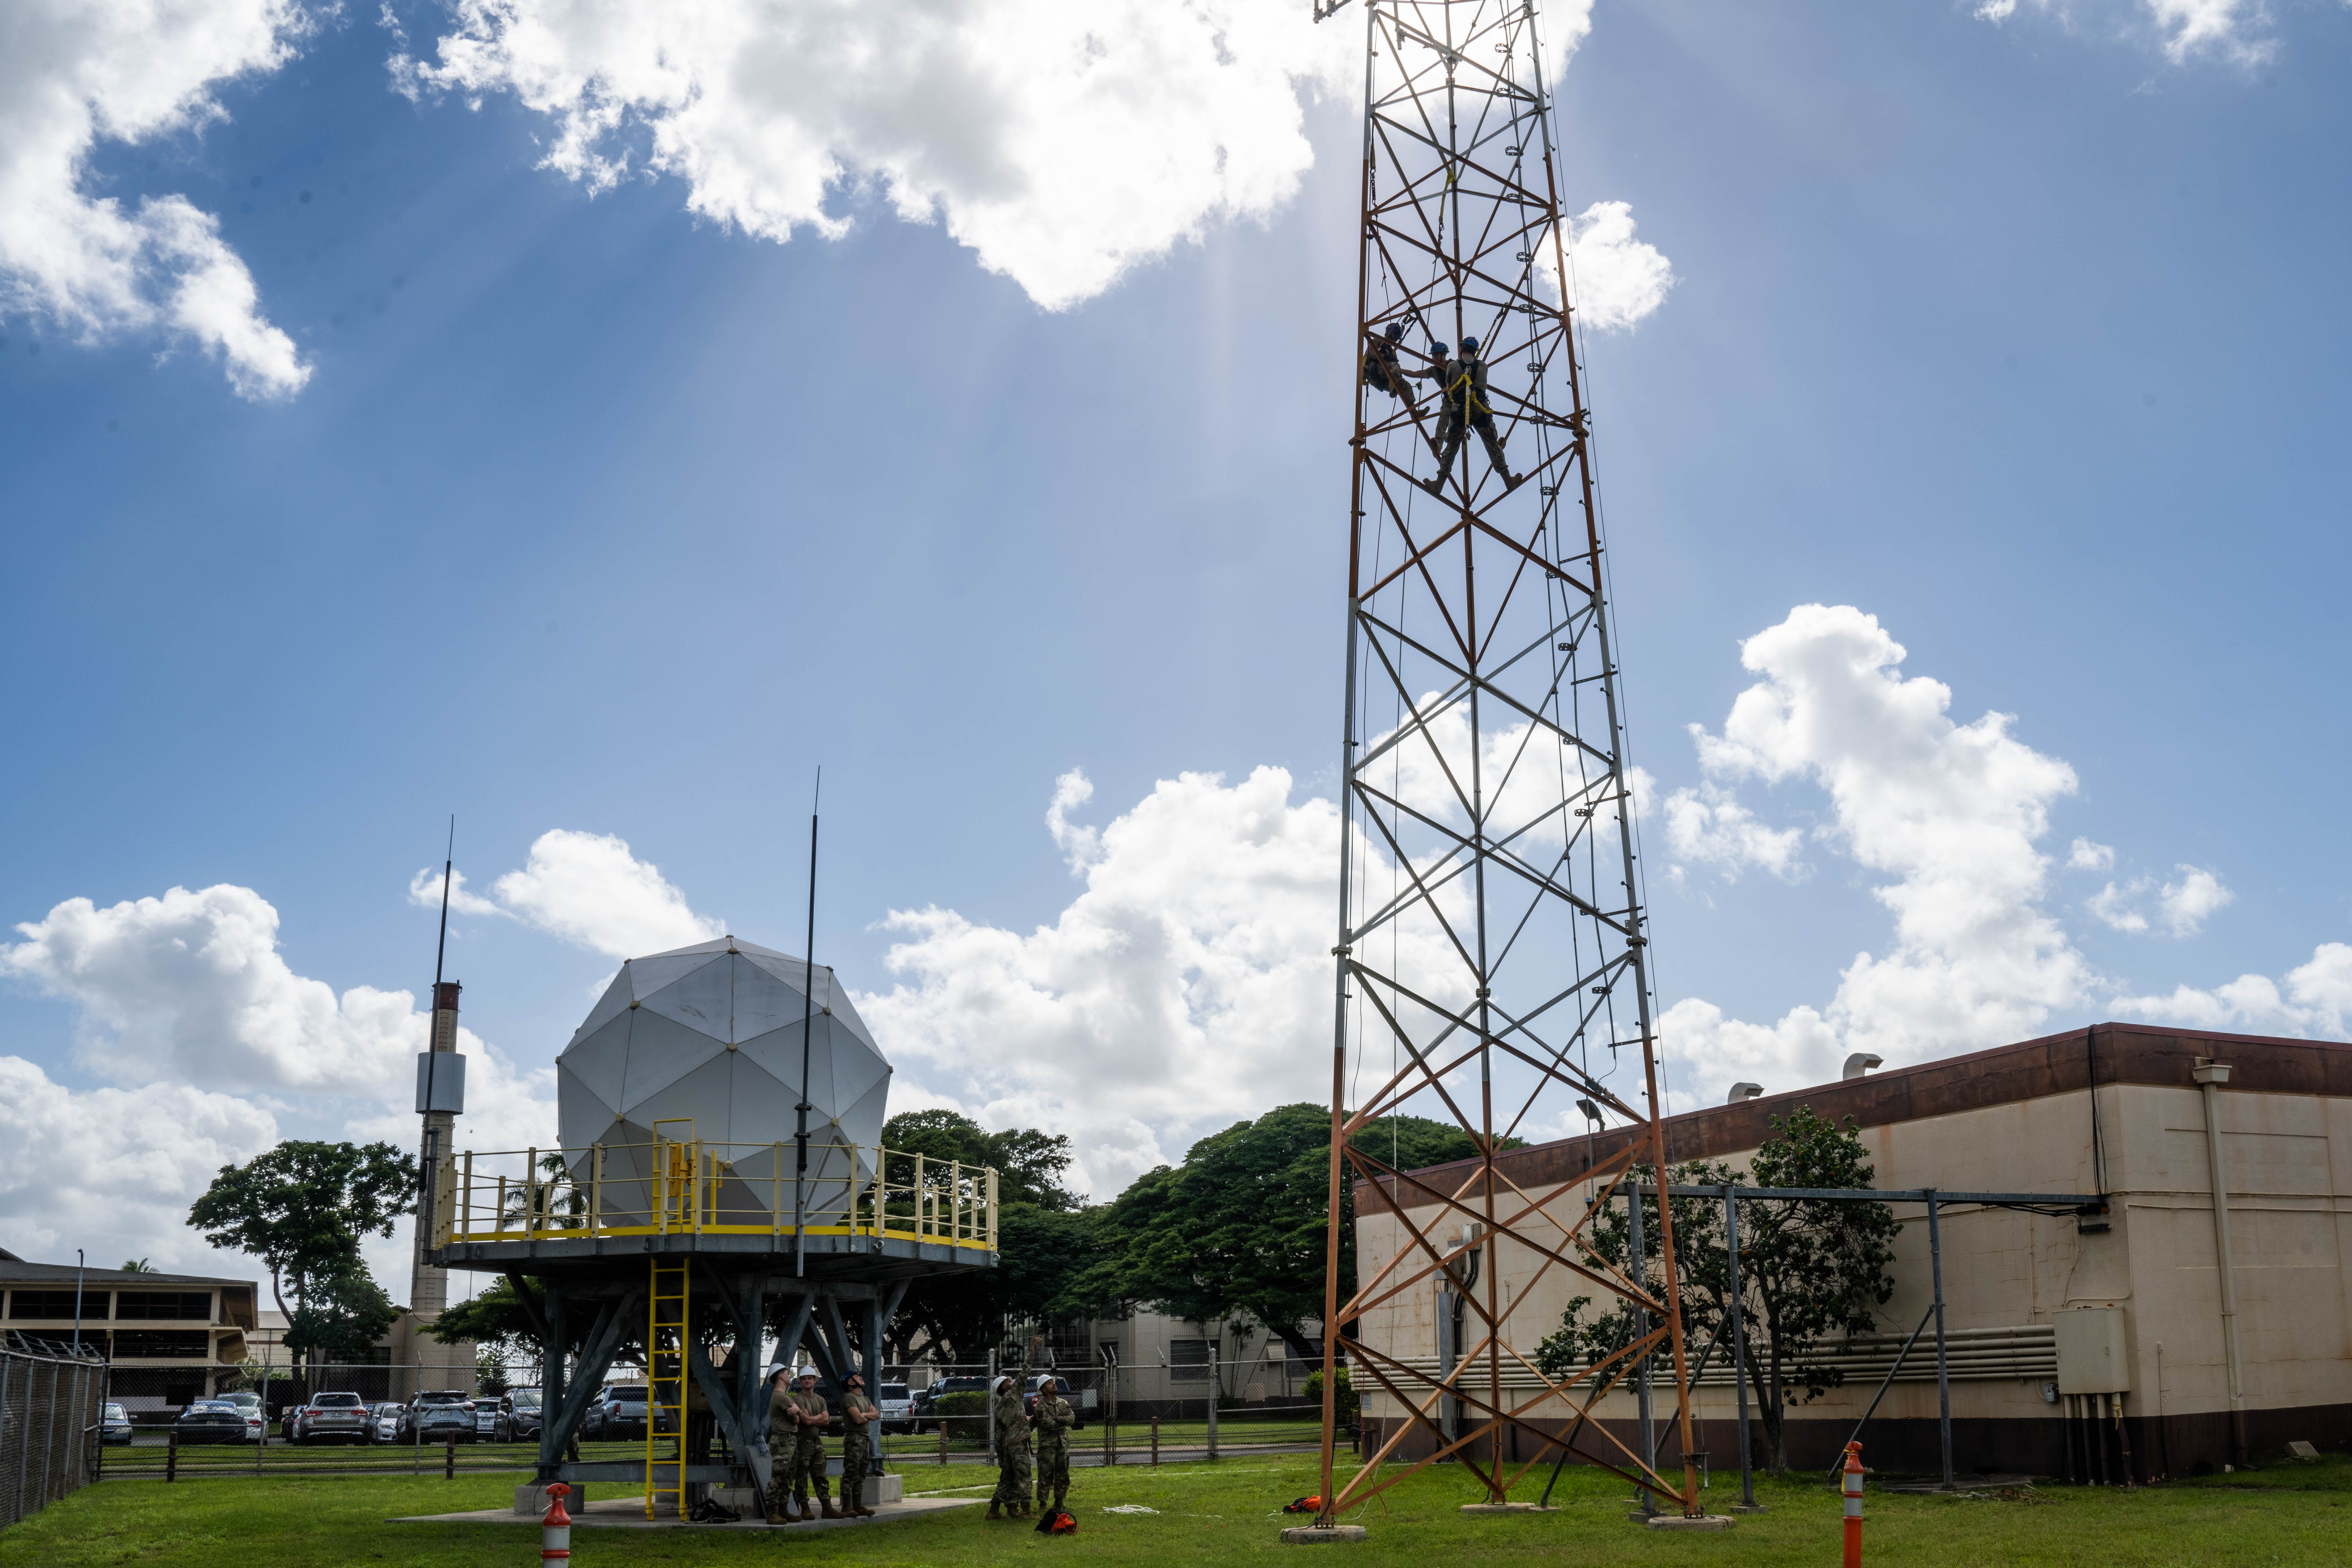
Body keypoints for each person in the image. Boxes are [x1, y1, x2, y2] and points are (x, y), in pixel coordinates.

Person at [1420, 334, 1518, 494]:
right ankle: (1508, 480)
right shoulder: (1483, 366)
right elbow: (1483, 388)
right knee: (1492, 445)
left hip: (1459, 411)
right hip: (1480, 410)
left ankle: (1439, 484)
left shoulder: (1452, 367)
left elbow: (1449, 390)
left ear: (1461, 349)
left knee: (1451, 449)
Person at [765, 1370, 838, 1524]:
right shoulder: (785, 1397)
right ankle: (774, 1512)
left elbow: (826, 1421)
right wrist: (806, 1415)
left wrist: (810, 1417)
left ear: (815, 1380)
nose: (806, 1381)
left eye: (810, 1378)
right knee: (782, 1477)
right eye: (787, 1373)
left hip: (795, 1441)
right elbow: (799, 1420)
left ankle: (784, 1511)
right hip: (787, 1440)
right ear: (781, 1376)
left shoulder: (818, 1399)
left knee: (790, 1477)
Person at [987, 1375, 1033, 1521]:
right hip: (1019, 1442)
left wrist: (1001, 1456)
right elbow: (1024, 1374)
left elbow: (999, 1435)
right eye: (1008, 1382)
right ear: (1004, 1387)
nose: (1012, 1383)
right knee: (1025, 1475)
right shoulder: (1013, 1395)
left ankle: (996, 1510)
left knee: (1007, 1478)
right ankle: (1026, 1510)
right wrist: (1031, 1354)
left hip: (1007, 1446)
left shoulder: (999, 1408)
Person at [1032, 1377, 1077, 1517]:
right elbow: (1046, 1423)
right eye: (1050, 1384)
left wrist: (1057, 1419)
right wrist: (1061, 1422)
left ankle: (1059, 1502)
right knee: (1046, 1475)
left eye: (1053, 1383)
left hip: (1062, 1445)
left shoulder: (1062, 1403)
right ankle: (1043, 1504)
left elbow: (1072, 1419)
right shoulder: (1041, 1405)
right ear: (1044, 1389)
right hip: (1047, 1447)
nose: (1054, 1385)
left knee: (1063, 1475)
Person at [838, 1372, 878, 1518]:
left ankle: (858, 1505)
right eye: (856, 1376)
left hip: (865, 1438)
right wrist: (866, 1415)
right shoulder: (849, 1398)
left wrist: (865, 1415)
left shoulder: (864, 1398)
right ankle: (847, 1506)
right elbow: (858, 1419)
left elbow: (877, 1415)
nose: (861, 1377)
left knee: (861, 1473)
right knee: (851, 1472)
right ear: (850, 1383)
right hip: (854, 1438)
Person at [1361, 321, 1410, 400]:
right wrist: (1385, 357)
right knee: (1395, 366)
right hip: (1372, 371)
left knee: (1405, 385)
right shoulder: (1378, 341)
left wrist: (1408, 374)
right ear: (1387, 334)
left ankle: (1413, 409)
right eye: (1391, 337)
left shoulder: (1391, 351)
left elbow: (1397, 369)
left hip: (1381, 380)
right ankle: (1393, 387)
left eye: (1395, 340)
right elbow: (1370, 353)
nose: (1393, 341)